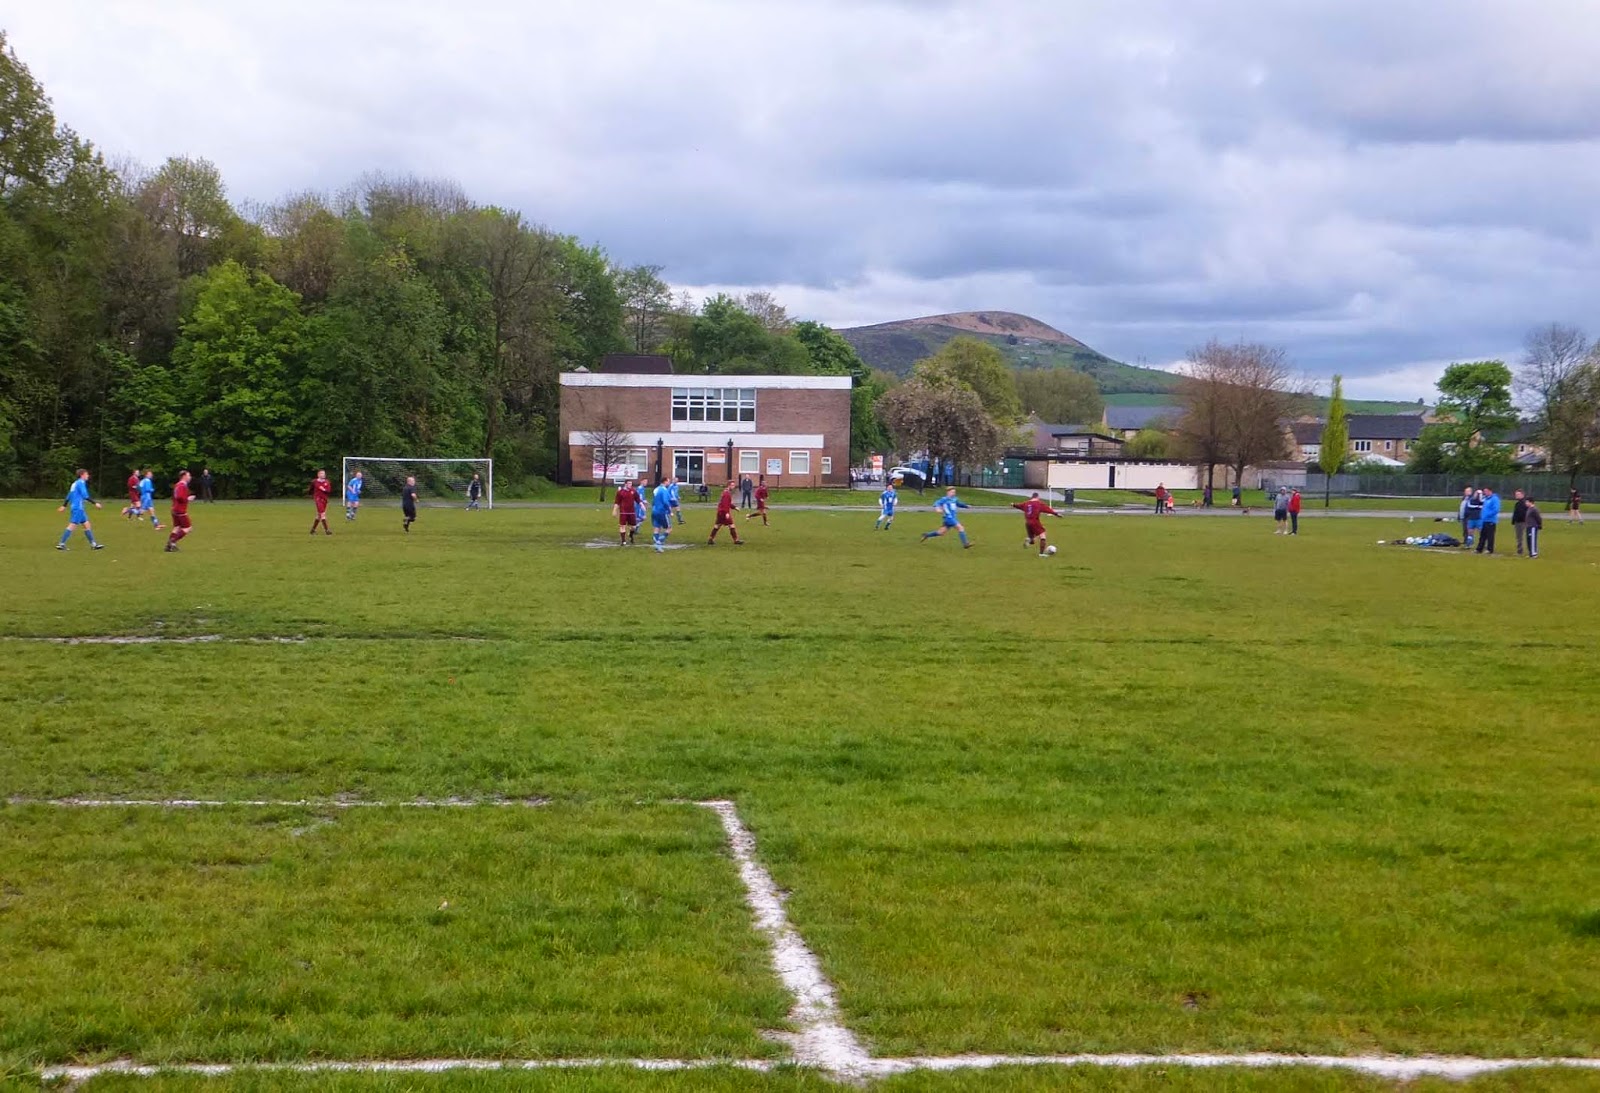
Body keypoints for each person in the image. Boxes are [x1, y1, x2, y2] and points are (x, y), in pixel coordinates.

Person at [56, 469, 105, 551]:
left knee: (87, 525)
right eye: (87, 474)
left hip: (78, 508)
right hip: (78, 508)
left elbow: (69, 495)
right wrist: (95, 503)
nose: (88, 476)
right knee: (72, 525)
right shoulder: (81, 483)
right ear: (82, 475)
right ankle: (61, 543)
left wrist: (64, 506)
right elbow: (85, 495)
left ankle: (93, 544)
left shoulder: (74, 483)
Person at [1012, 491, 1062, 556]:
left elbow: (1019, 505)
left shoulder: (1026, 503)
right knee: (1042, 535)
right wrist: (1056, 514)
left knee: (1032, 541)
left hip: (1027, 523)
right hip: (1035, 522)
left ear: (1032, 497)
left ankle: (1029, 540)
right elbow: (1047, 509)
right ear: (1037, 497)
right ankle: (1041, 554)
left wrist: (1013, 504)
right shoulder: (1038, 503)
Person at [164, 470, 194, 552]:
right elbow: (179, 497)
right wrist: (188, 499)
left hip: (174, 509)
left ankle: (169, 546)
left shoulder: (177, 485)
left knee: (177, 527)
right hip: (180, 510)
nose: (190, 477)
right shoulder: (182, 485)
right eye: (189, 475)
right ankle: (172, 541)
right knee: (188, 528)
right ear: (184, 476)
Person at [707, 481, 744, 545]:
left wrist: (734, 507)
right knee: (731, 525)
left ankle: (710, 539)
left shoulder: (725, 492)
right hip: (724, 512)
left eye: (734, 485)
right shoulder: (727, 493)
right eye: (732, 485)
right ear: (728, 485)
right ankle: (736, 540)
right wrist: (726, 513)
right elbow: (725, 504)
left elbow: (727, 503)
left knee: (717, 526)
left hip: (720, 512)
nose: (733, 487)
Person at [649, 479, 673, 552]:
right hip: (662, 511)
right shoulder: (664, 490)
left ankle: (657, 545)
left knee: (657, 527)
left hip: (654, 510)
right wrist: (669, 511)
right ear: (665, 482)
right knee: (669, 528)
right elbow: (666, 502)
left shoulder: (656, 489)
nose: (669, 483)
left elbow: (653, 501)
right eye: (668, 481)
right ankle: (659, 541)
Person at [1474, 487, 1500, 554]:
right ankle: (1479, 549)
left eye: (1486, 491)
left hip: (1491, 521)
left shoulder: (1494, 499)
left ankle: (1490, 549)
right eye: (1484, 491)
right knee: (1482, 535)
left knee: (1490, 536)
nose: (1485, 493)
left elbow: (1496, 509)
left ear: (1490, 491)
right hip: (1484, 520)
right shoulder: (1486, 499)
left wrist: (1488, 515)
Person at [612, 481, 638, 546]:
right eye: (629, 484)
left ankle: (630, 535)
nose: (630, 485)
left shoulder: (633, 491)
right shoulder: (620, 492)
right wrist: (614, 510)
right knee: (622, 526)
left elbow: (638, 499)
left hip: (631, 512)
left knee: (634, 527)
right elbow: (617, 502)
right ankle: (623, 541)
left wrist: (642, 505)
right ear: (625, 484)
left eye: (631, 484)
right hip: (623, 512)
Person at [310, 469, 334, 535]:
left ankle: (312, 530)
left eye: (323, 473)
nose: (323, 475)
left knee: (318, 515)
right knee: (323, 514)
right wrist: (313, 495)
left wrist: (324, 489)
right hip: (318, 499)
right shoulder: (314, 482)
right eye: (321, 473)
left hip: (324, 499)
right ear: (318, 475)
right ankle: (327, 530)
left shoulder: (327, 482)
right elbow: (311, 489)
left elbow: (329, 491)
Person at [1511, 489, 1529, 555]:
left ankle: (1520, 551)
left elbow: (1525, 513)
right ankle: (1519, 550)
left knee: (1520, 537)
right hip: (1517, 522)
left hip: (1522, 522)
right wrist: (1513, 521)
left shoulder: (1524, 503)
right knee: (1518, 537)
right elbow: (1515, 513)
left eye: (1518, 494)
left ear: (1522, 495)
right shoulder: (1517, 503)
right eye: (1516, 494)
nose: (1516, 496)